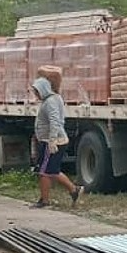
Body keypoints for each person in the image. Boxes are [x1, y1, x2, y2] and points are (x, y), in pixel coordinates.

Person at [31, 76, 83, 208]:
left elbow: (55, 121)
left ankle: (45, 200)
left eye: (36, 91)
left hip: (53, 141)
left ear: (42, 90)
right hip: (50, 140)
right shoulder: (52, 99)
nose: (35, 94)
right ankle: (73, 190)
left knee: (44, 171)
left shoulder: (51, 101)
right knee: (51, 170)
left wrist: (52, 141)